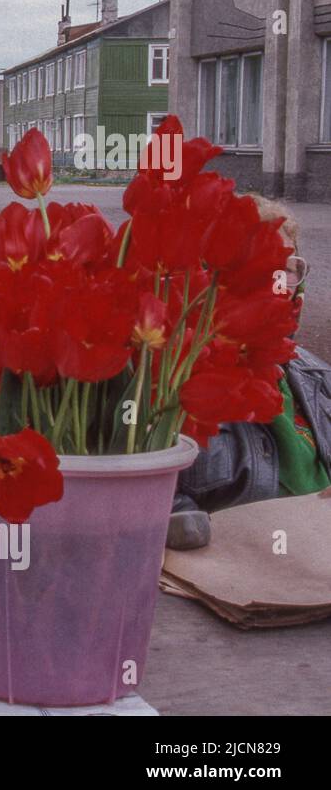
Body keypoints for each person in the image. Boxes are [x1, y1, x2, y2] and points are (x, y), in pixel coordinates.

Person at [168, 195, 331, 549]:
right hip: (245, 569)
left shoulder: (317, 375)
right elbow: (157, 502)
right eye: (259, 262)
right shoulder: (172, 384)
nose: (276, 279)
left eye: (287, 268)